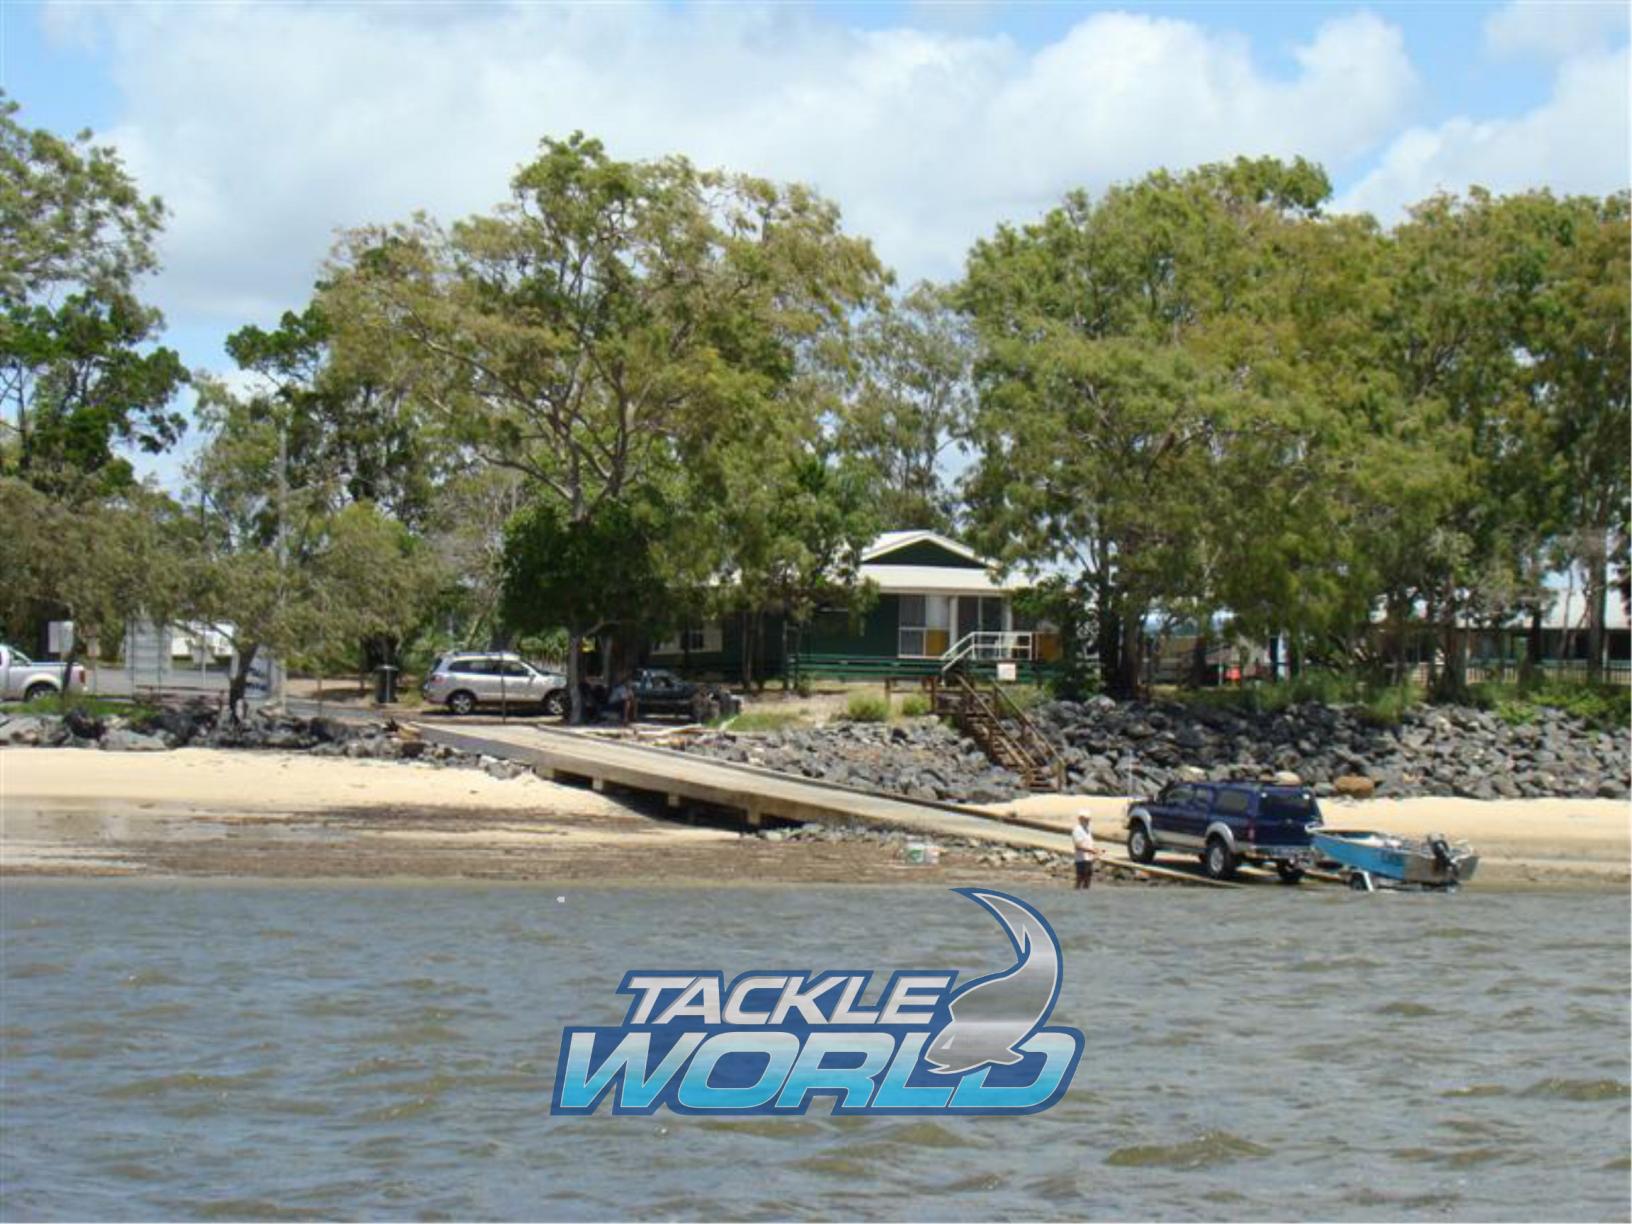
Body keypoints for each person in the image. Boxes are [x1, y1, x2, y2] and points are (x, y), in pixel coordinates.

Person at [1072, 812, 1099, 890]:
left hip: (1088, 859)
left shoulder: (1087, 829)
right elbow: (1078, 846)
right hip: (1081, 860)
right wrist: (1091, 850)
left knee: (1087, 881)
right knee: (1079, 881)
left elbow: (1089, 843)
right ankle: (1076, 897)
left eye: (1088, 819)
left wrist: (1095, 851)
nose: (1088, 821)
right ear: (1080, 819)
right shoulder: (1077, 830)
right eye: (1086, 819)